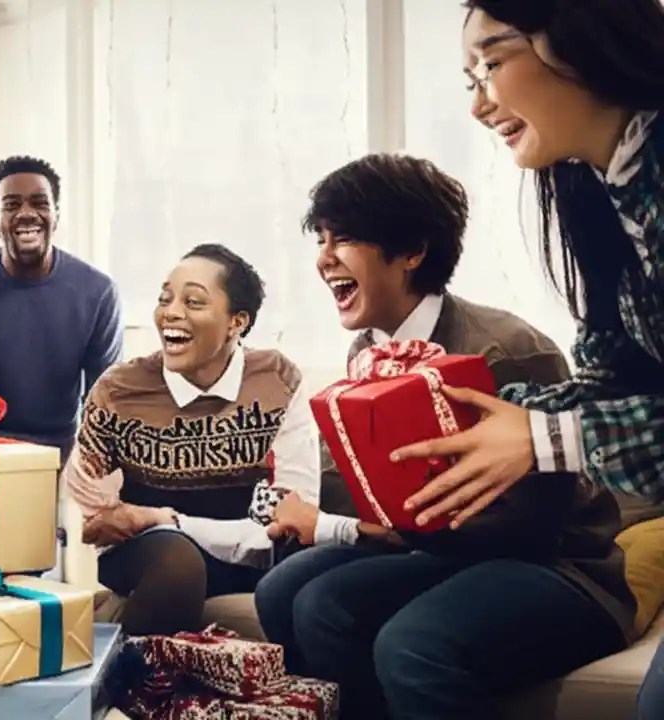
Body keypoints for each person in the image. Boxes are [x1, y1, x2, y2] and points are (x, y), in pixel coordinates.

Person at [255, 153, 636, 719]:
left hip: (560, 568)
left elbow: (535, 525)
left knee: (411, 644)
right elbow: (377, 493)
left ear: (413, 251)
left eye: (346, 238)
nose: (323, 258)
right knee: (288, 592)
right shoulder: (369, 353)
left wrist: (367, 527)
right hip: (449, 553)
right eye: (322, 238)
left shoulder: (503, 350)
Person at [389, 3, 664, 717]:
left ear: (575, 34)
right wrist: (510, 421)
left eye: (492, 62)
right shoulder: (604, 194)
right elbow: (615, 380)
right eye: (467, 78)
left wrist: (542, 437)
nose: (479, 103)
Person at [63, 244, 322, 636]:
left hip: (249, 556)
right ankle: (140, 692)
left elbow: (289, 523)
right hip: (149, 554)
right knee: (177, 559)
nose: (171, 312)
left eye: (194, 301)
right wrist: (111, 519)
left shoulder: (276, 381)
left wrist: (169, 518)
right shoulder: (120, 389)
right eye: (165, 298)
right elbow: (94, 514)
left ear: (237, 321)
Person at [0, 155, 122, 461]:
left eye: (40, 203)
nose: (26, 214)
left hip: (66, 453)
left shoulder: (98, 294)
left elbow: (105, 403)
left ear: (56, 214)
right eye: (11, 205)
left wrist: (86, 473)